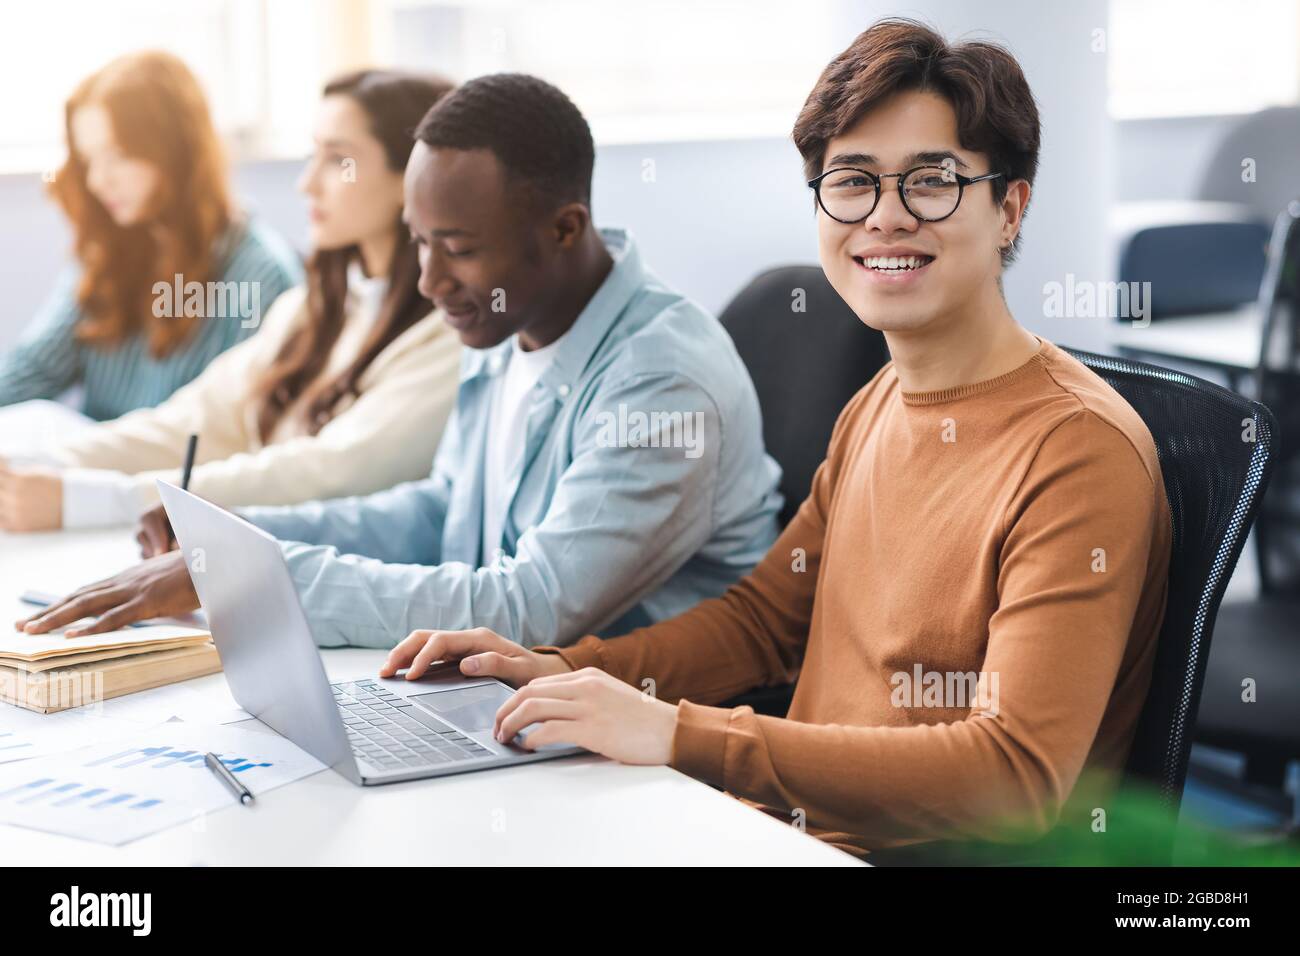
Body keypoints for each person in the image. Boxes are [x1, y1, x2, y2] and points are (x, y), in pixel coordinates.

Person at [378, 20, 1174, 859]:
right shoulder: (878, 403)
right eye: (853, 182)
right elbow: (763, 625)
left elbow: (1013, 774)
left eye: (932, 182)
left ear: (1009, 208)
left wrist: (678, 733)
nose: (886, 218)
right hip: (780, 837)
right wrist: (562, 669)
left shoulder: (1078, 450)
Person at [17, 74, 783, 653]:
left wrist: (255, 579)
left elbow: (533, 609)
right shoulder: (511, 324)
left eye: (458, 249)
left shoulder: (661, 381)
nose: (427, 281)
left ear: (563, 229)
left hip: (656, 754)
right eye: (419, 240)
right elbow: (440, 511)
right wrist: (237, 534)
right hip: (523, 699)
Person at [0, 70, 461, 533]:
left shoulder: (450, 336)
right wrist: (39, 467)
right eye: (311, 154)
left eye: (338, 160)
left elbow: (324, 472)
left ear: (416, 174)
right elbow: (200, 420)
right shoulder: (316, 306)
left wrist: (90, 499)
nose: (306, 185)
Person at [0, 51, 301, 418]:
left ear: (176, 149)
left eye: (119, 156)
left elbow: (233, 430)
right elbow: (34, 368)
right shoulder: (107, 253)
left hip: (166, 473)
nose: (98, 180)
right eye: (89, 160)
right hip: (85, 466)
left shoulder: (262, 275)